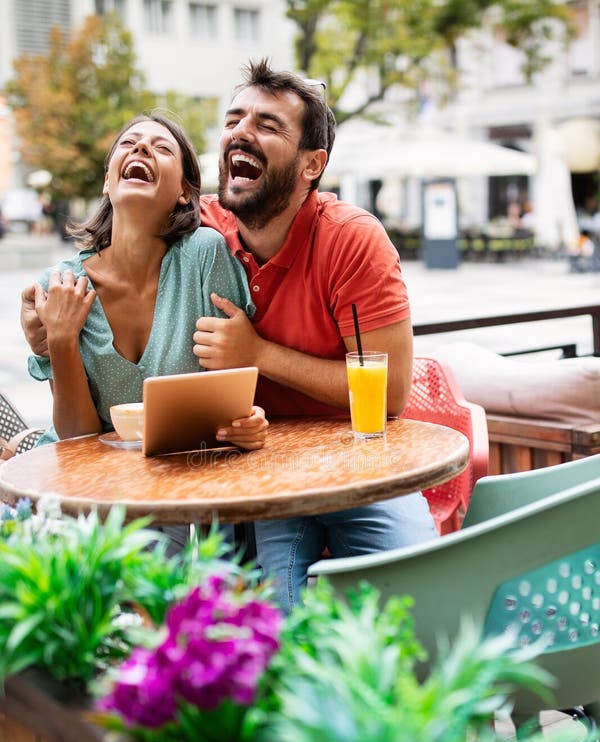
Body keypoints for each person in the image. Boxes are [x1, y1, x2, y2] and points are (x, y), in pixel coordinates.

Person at [21, 64, 437, 613]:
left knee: (422, 595)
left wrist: (258, 354)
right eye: (234, 118)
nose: (242, 132)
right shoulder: (204, 229)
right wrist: (47, 337)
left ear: (313, 164)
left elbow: (388, 395)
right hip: (257, 467)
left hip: (356, 456)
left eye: (268, 125)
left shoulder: (349, 240)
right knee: (266, 616)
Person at [25, 113, 267, 453]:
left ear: (184, 191)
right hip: (91, 482)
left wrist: (245, 423)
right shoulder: (63, 286)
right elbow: (75, 441)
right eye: (128, 143)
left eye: (162, 148)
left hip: (186, 470)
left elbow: (231, 404)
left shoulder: (205, 256)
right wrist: (61, 339)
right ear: (108, 182)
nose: (140, 147)